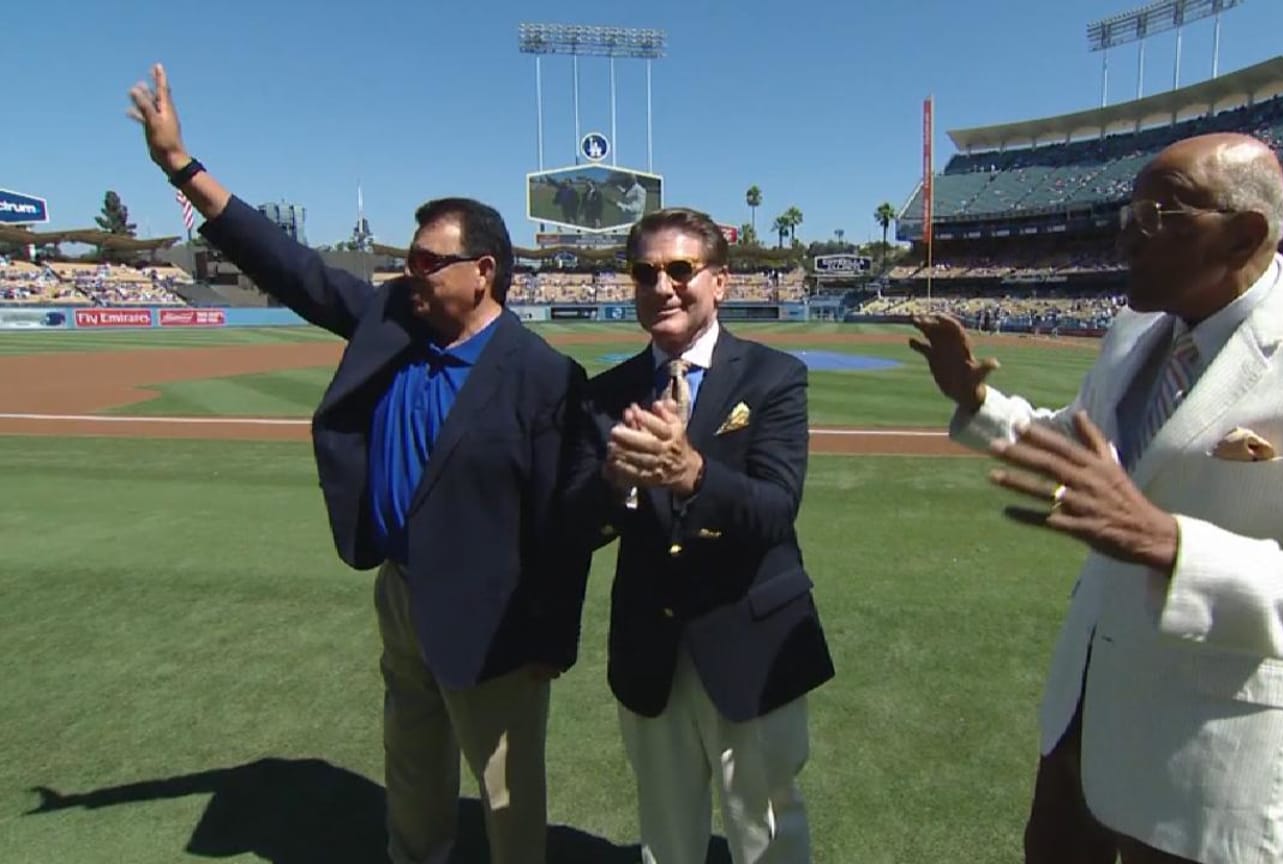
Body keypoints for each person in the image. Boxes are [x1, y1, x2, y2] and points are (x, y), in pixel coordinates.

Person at [910, 133, 1283, 864]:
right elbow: (1080, 443)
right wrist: (980, 401)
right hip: (1085, 720)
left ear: (1244, 233)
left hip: (1216, 753)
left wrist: (1172, 545)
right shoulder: (1133, 332)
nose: (1127, 236)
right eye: (1128, 213)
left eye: (1159, 215)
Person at [127, 64, 592, 864]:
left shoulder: (542, 374)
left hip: (493, 610)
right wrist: (180, 164)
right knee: (412, 761)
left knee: (508, 787)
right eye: (410, 258)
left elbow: (563, 521)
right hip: (402, 590)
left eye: (427, 261)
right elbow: (287, 265)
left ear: (483, 272)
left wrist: (553, 636)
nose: (409, 272)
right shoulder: (392, 320)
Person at [570, 208, 834, 864]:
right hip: (649, 644)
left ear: (720, 282)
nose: (663, 287)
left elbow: (776, 509)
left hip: (750, 639)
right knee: (665, 835)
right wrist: (614, 483)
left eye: (681, 270)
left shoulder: (773, 377)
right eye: (645, 272)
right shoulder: (604, 395)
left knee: (767, 833)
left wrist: (692, 474)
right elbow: (573, 524)